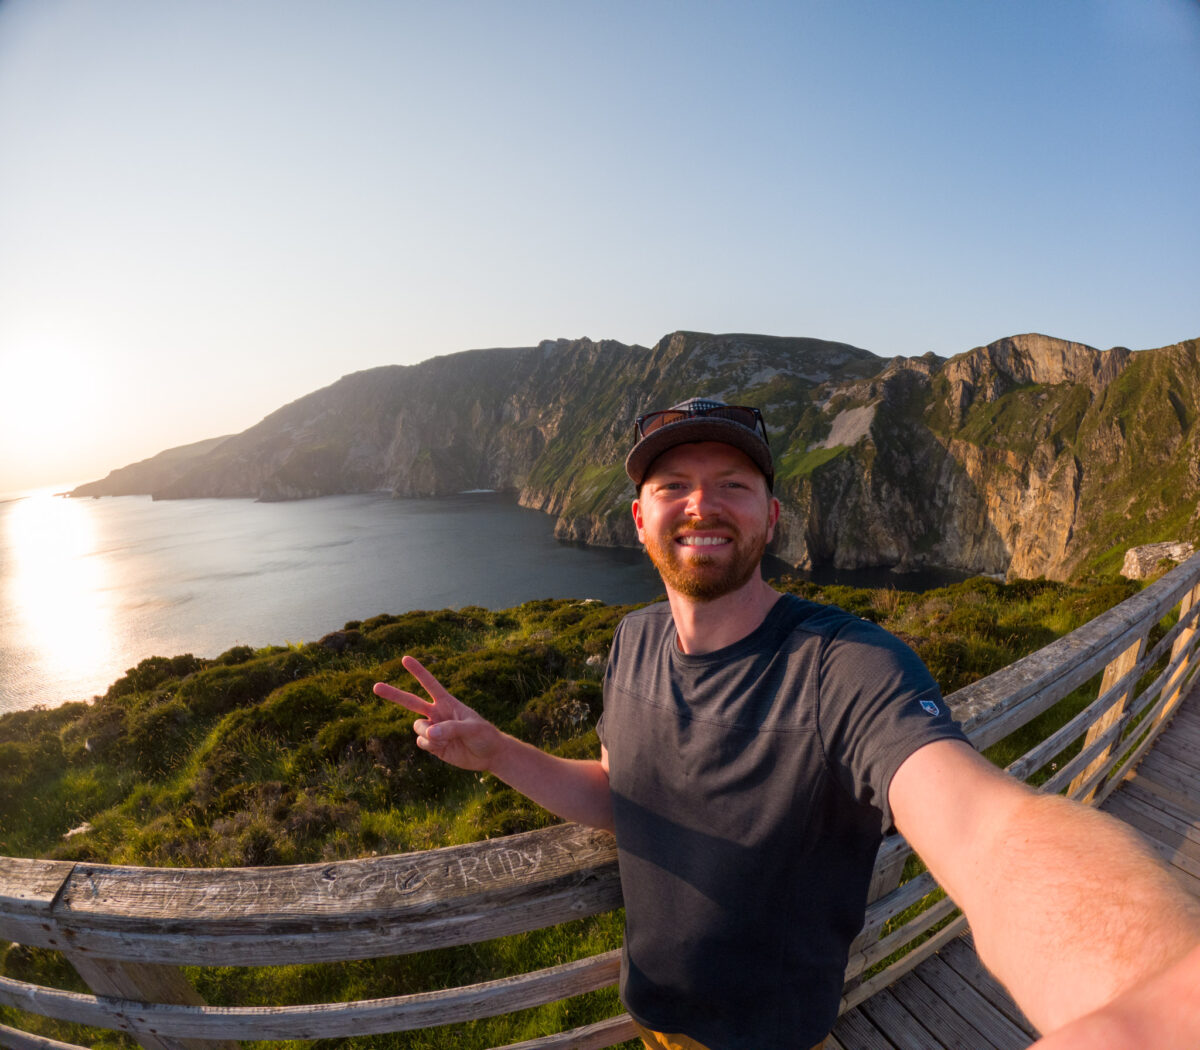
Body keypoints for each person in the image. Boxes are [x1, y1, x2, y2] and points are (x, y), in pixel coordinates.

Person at [375, 397, 1200, 1050]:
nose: (702, 504)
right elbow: (619, 792)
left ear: (772, 518)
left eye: (733, 483)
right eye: (673, 486)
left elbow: (987, 830)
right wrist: (494, 751)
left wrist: (1156, 991)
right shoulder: (631, 640)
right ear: (638, 517)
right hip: (651, 1008)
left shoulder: (848, 667)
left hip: (772, 1034)